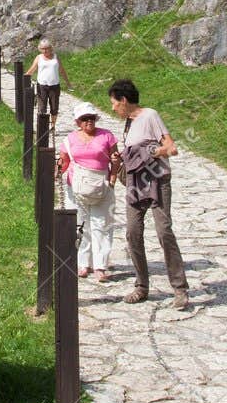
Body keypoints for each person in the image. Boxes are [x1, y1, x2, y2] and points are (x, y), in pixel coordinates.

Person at [109, 77, 189, 311]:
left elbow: (171, 148)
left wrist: (152, 151)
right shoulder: (129, 124)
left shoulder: (150, 115)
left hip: (156, 180)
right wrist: (122, 157)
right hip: (135, 183)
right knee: (133, 233)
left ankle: (180, 289)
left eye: (114, 103)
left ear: (124, 100)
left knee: (164, 231)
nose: (113, 108)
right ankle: (141, 286)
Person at [59, 103, 118, 280]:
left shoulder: (107, 136)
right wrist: (57, 169)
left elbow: (115, 160)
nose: (89, 122)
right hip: (76, 187)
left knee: (102, 225)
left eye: (91, 118)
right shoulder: (69, 140)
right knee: (81, 225)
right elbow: (64, 162)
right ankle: (83, 263)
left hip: (102, 186)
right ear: (78, 122)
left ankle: (100, 265)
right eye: (85, 119)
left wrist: (112, 181)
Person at [24, 39, 70, 121]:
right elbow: (32, 69)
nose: (45, 50)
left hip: (55, 86)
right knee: (42, 108)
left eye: (47, 48)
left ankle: (53, 126)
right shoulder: (39, 58)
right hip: (42, 86)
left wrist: (68, 83)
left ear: (50, 48)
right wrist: (24, 78)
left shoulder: (56, 57)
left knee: (54, 108)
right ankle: (42, 128)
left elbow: (62, 70)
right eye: (42, 48)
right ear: (40, 49)